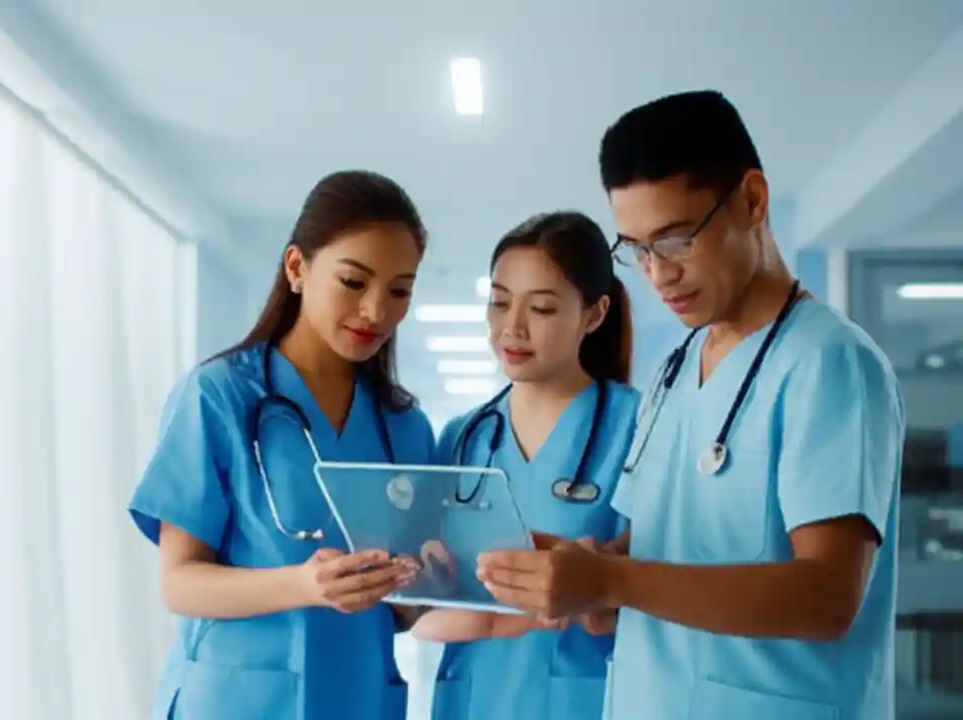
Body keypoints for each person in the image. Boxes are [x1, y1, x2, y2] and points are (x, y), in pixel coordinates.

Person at [475, 90, 906, 719]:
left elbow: (827, 597)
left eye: (676, 240)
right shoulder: (675, 370)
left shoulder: (828, 363)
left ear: (752, 200)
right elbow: (662, 545)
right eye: (637, 249)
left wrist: (615, 580)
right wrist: (589, 570)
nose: (657, 273)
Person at [128, 169, 438, 720]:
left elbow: (403, 607)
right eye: (354, 281)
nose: (376, 311)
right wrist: (304, 585)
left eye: (399, 291)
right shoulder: (220, 396)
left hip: (358, 694)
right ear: (297, 267)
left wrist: (423, 587)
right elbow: (180, 584)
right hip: (240, 699)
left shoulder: (405, 426)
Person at [409, 211, 639, 720]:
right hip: (470, 699)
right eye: (499, 302)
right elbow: (419, 602)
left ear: (594, 315)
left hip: (586, 701)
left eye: (541, 308)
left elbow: (660, 585)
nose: (512, 327)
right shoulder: (462, 438)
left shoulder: (640, 427)